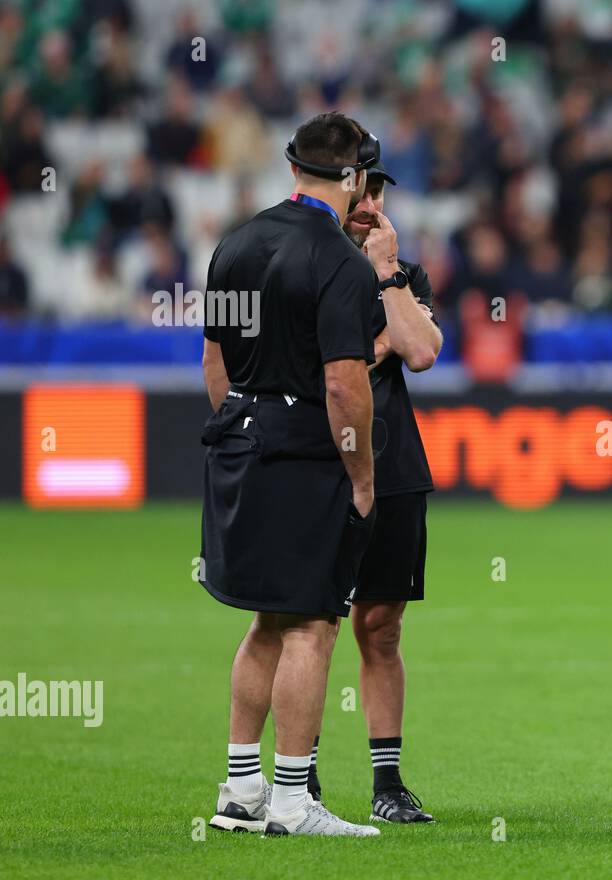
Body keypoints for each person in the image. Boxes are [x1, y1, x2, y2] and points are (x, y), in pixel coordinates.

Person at [202, 111, 382, 837]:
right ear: (356, 178)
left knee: (266, 620)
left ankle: (239, 789)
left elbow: (215, 362)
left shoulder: (235, 242)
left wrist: (242, 430)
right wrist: (363, 476)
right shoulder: (340, 259)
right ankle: (289, 801)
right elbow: (345, 384)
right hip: (306, 445)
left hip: (240, 436)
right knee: (312, 623)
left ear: (293, 167)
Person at [308, 154, 443, 824]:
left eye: (380, 189)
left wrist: (389, 278)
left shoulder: (402, 274)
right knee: (308, 621)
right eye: (363, 187)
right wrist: (377, 341)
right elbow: (327, 364)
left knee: (381, 626)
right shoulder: (304, 262)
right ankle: (294, 779)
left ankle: (387, 783)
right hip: (319, 464)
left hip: (393, 467)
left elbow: (421, 350)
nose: (371, 200)